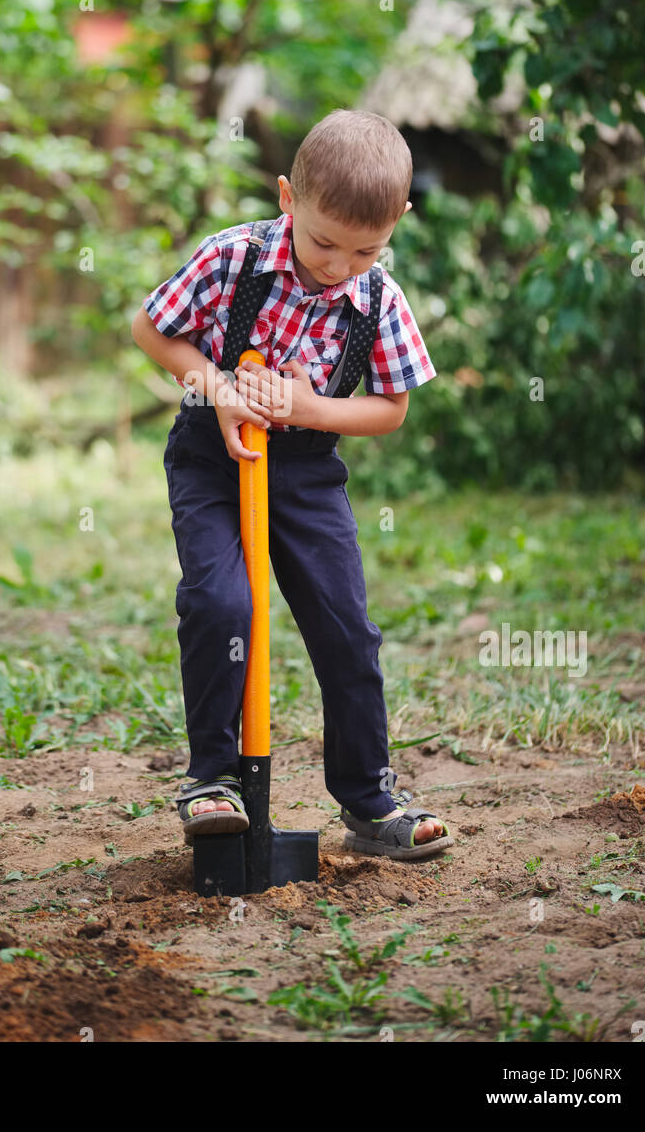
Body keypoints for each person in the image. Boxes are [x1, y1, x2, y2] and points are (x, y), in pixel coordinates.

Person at [131, 109, 453, 859]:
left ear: (399, 221)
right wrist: (214, 388)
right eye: (322, 242)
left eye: (366, 249)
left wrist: (310, 407)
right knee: (220, 604)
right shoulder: (232, 260)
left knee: (347, 632)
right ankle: (211, 782)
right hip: (214, 461)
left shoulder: (378, 301)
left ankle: (369, 805)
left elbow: (391, 408)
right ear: (286, 198)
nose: (339, 265)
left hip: (306, 476)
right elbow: (150, 328)